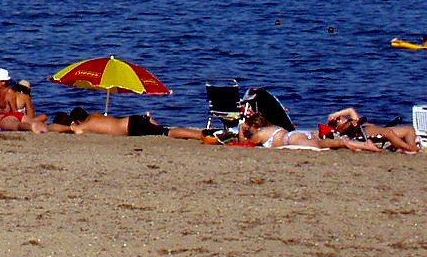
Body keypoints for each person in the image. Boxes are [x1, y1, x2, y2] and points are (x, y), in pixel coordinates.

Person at [240, 108, 380, 151]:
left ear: (256, 127)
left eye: (250, 130)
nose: (249, 132)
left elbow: (246, 144)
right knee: (330, 144)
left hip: (293, 139)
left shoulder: (261, 133)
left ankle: (364, 145)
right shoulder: (273, 128)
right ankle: (365, 145)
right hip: (299, 134)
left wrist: (241, 129)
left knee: (322, 145)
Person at [47, 107, 207, 140]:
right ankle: (200, 133)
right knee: (163, 130)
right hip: (131, 120)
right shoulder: (96, 115)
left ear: (77, 121)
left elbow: (69, 130)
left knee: (167, 132)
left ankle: (200, 134)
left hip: (131, 126)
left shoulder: (85, 125)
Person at [326, 107, 420, 154]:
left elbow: (351, 110)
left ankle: (410, 147)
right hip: (367, 134)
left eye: (341, 117)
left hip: (378, 130)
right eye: (338, 120)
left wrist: (337, 113)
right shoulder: (343, 128)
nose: (340, 118)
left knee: (409, 129)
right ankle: (408, 148)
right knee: (388, 133)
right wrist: (335, 119)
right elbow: (350, 117)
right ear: (336, 127)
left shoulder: (352, 122)